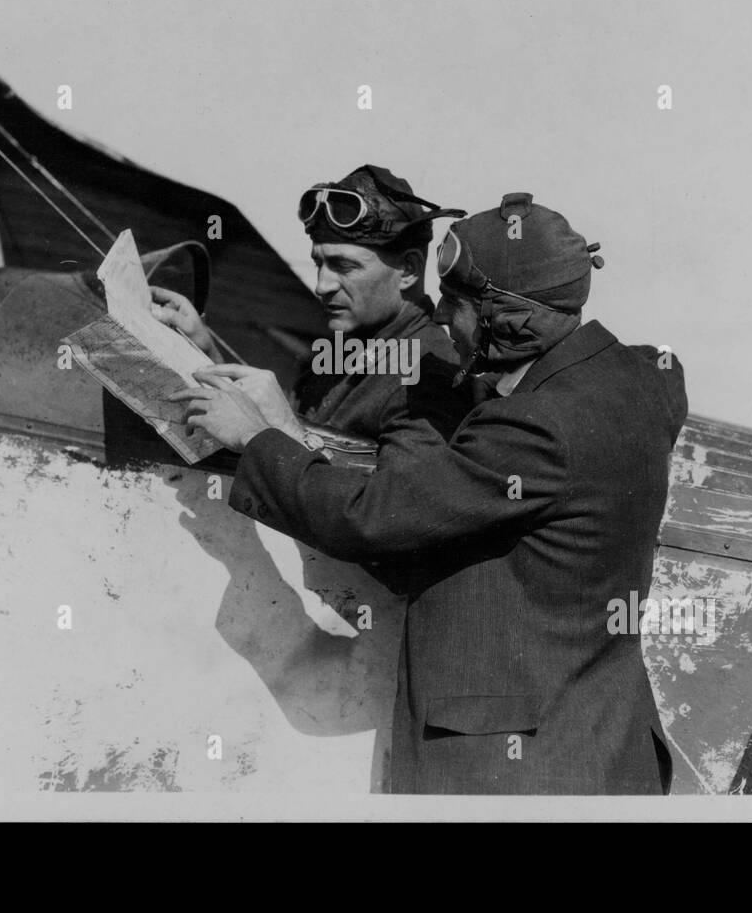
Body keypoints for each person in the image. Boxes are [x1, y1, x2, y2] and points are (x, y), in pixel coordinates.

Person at [170, 191, 688, 795]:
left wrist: (258, 438)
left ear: (510, 319)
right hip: (605, 747)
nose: (441, 318)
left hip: (516, 773)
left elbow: (372, 518)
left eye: (458, 303)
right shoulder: (643, 382)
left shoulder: (534, 429)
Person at [149, 164, 473, 449]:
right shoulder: (346, 346)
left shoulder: (432, 379)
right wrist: (204, 354)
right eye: (318, 263)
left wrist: (273, 433)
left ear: (409, 270)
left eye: (343, 266)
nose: (322, 285)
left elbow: (381, 506)